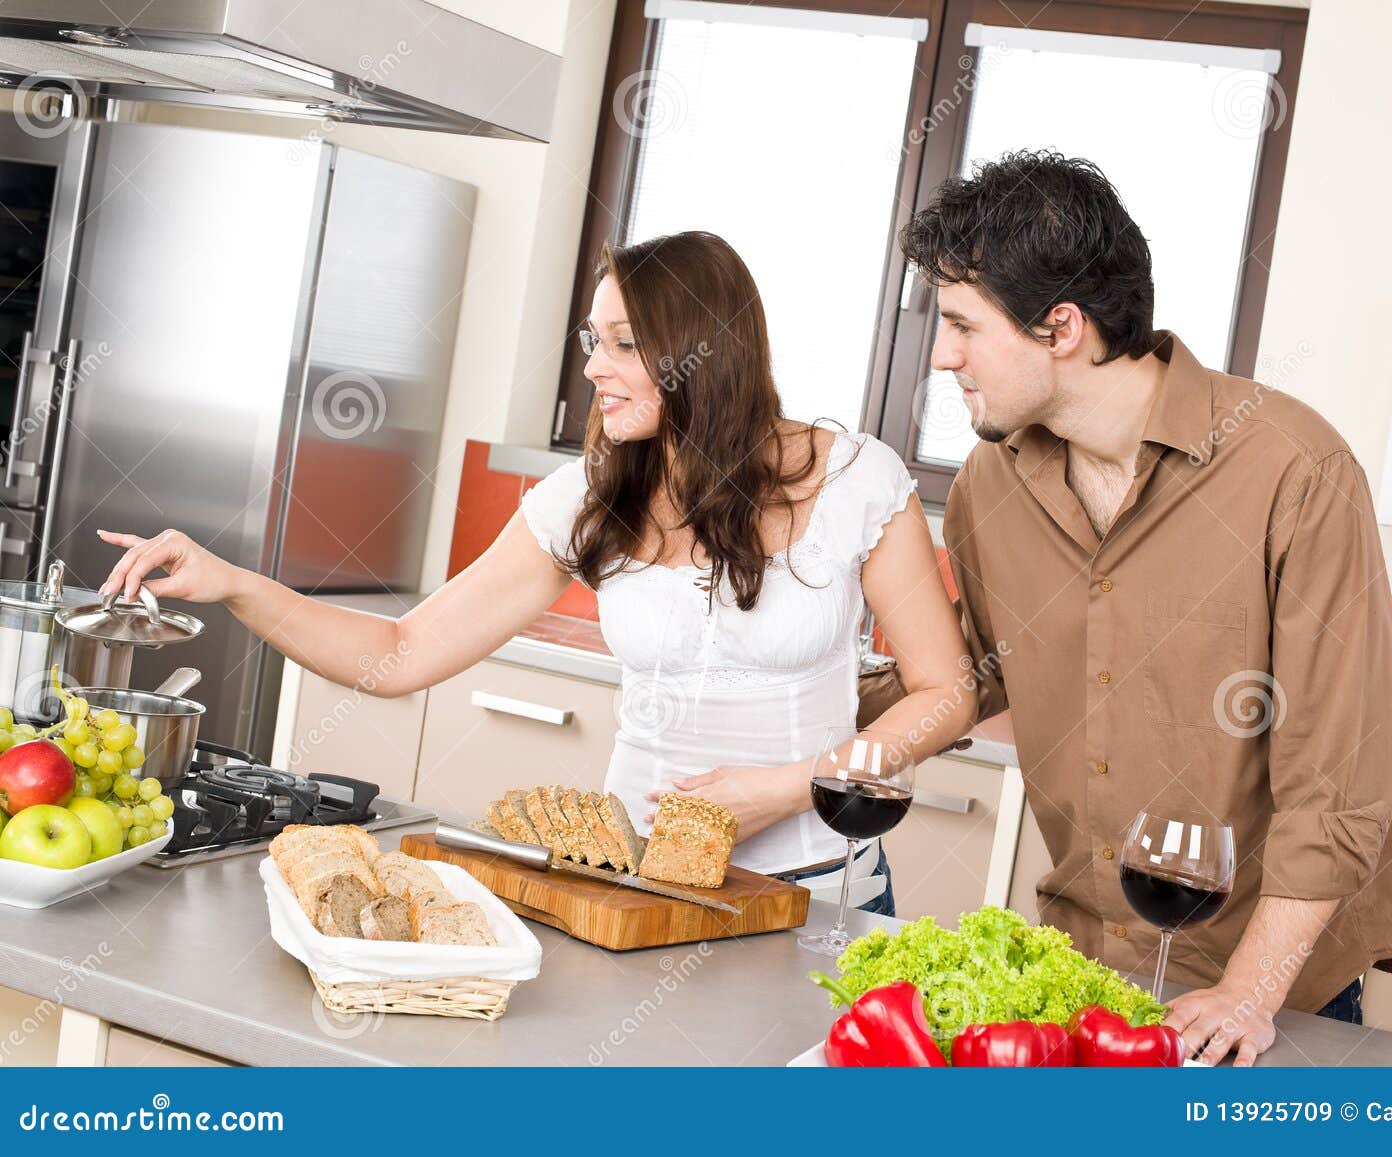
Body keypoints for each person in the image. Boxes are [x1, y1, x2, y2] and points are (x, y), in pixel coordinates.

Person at [99, 230, 974, 913]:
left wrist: (784, 790)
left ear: (705, 353)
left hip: (815, 882)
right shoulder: (590, 495)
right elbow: (401, 653)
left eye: (624, 345)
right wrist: (237, 584)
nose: (593, 367)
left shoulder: (858, 479)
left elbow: (945, 690)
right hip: (634, 881)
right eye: (592, 341)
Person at [860, 151, 1392, 1062]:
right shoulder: (990, 482)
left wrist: (1246, 993)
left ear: (1062, 327)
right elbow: (979, 670)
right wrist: (800, 678)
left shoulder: (1294, 471)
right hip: (1087, 962)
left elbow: (1343, 786)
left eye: (962, 324)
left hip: (1264, 989)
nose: (941, 354)